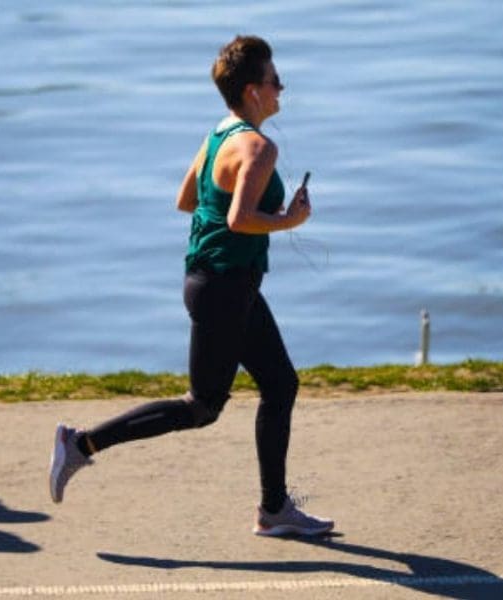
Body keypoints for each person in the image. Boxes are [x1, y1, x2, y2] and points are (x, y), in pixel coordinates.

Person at [48, 35, 333, 537]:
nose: (281, 87)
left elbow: (187, 200)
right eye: (274, 80)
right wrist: (290, 220)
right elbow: (241, 218)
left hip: (222, 284)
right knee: (200, 407)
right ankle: (80, 444)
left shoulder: (219, 134)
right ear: (252, 92)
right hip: (223, 288)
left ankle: (274, 509)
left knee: (281, 384)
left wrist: (235, 225)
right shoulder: (260, 147)